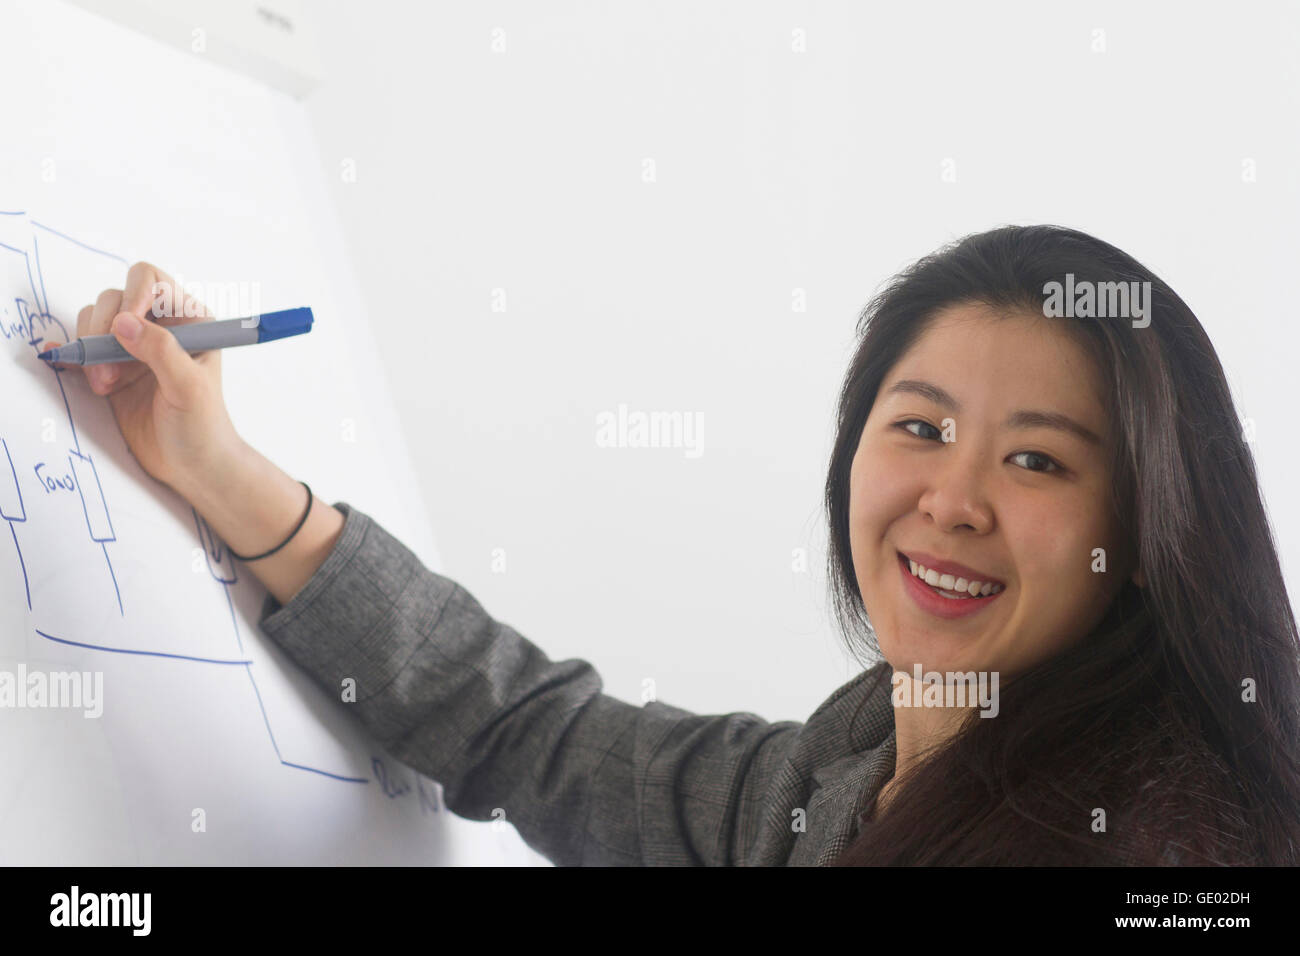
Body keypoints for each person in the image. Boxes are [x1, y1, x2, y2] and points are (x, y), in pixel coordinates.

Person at [45, 225, 1300, 866]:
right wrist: (218, 469)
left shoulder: (1156, 846)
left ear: (1143, 533)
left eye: (1036, 459)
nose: (952, 497)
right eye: (919, 426)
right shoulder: (852, 766)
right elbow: (538, 735)